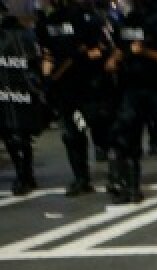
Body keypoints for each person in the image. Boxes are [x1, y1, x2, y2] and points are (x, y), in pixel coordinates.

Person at [104, 0, 157, 204]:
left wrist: (146, 52)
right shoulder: (125, 22)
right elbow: (121, 48)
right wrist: (115, 59)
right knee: (127, 140)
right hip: (131, 86)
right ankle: (131, 187)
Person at [37, 0, 115, 196]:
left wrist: (85, 56)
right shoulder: (47, 23)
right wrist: (46, 78)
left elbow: (103, 49)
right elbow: (48, 54)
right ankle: (81, 178)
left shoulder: (87, 17)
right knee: (71, 135)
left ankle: (117, 174)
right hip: (65, 87)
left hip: (91, 84)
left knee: (102, 131)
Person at [1, 0, 44, 195]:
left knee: (17, 135)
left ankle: (24, 174)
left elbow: (33, 62)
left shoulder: (18, 35)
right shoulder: (22, 34)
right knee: (13, 135)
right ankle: (24, 173)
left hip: (17, 90)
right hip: (11, 91)